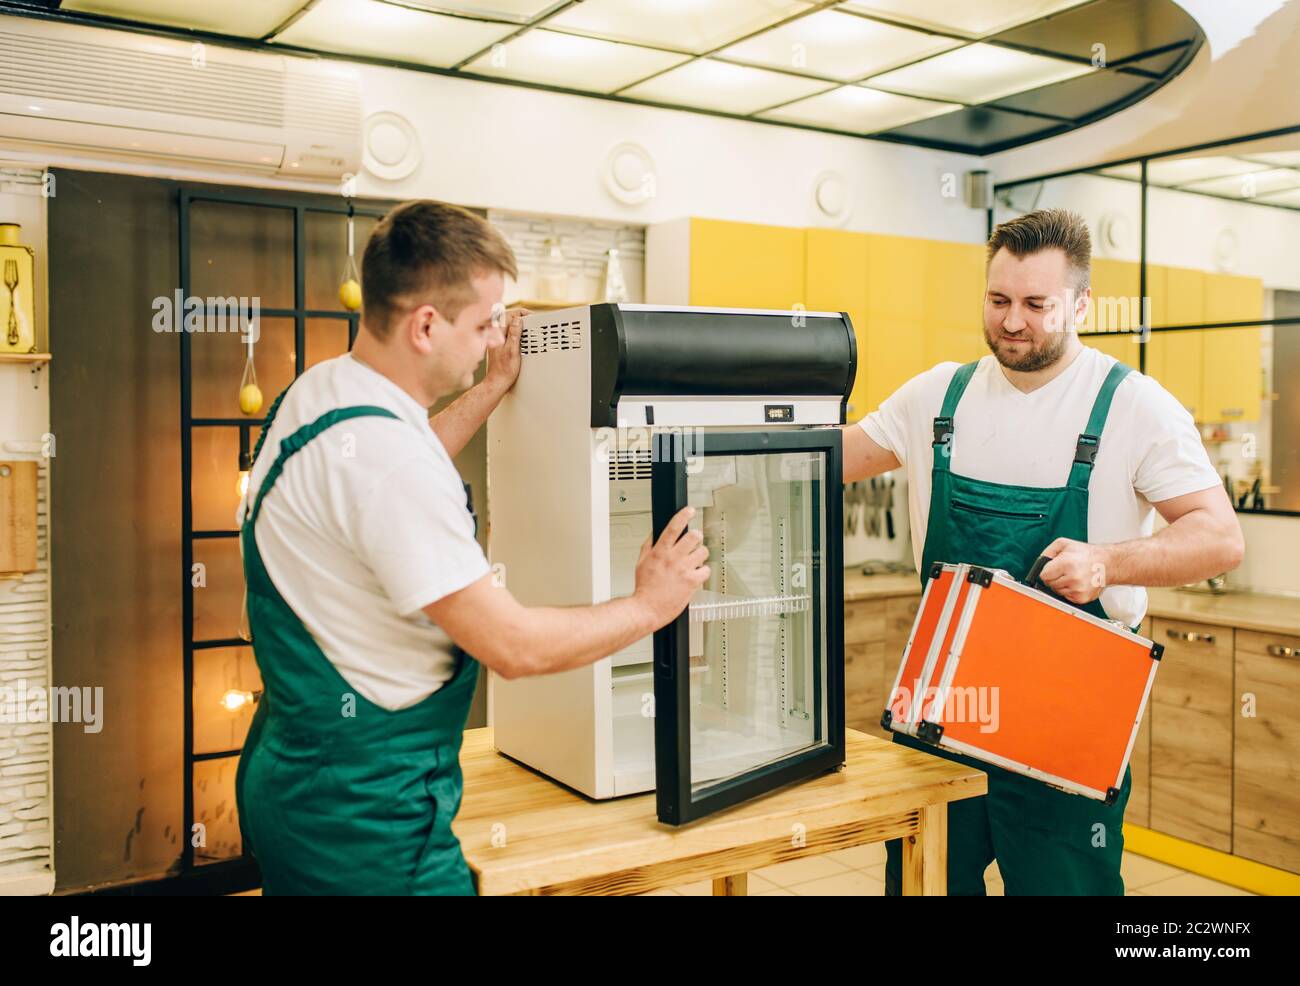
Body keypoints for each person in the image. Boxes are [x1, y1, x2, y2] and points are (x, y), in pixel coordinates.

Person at [234, 200, 709, 895]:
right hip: (367, 821)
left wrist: (491, 389)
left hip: (294, 778)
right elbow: (514, 647)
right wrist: (650, 603)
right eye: (486, 322)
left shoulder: (321, 393)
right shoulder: (389, 463)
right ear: (426, 325)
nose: (496, 337)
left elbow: (391, 471)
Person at [841, 207, 1244, 895]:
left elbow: (1220, 537)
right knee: (921, 883)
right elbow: (830, 459)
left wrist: (1107, 562)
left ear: (1082, 303)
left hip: (1068, 723)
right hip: (943, 708)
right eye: (998, 301)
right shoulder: (939, 396)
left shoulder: (1132, 406)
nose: (1012, 321)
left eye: (1035, 304)